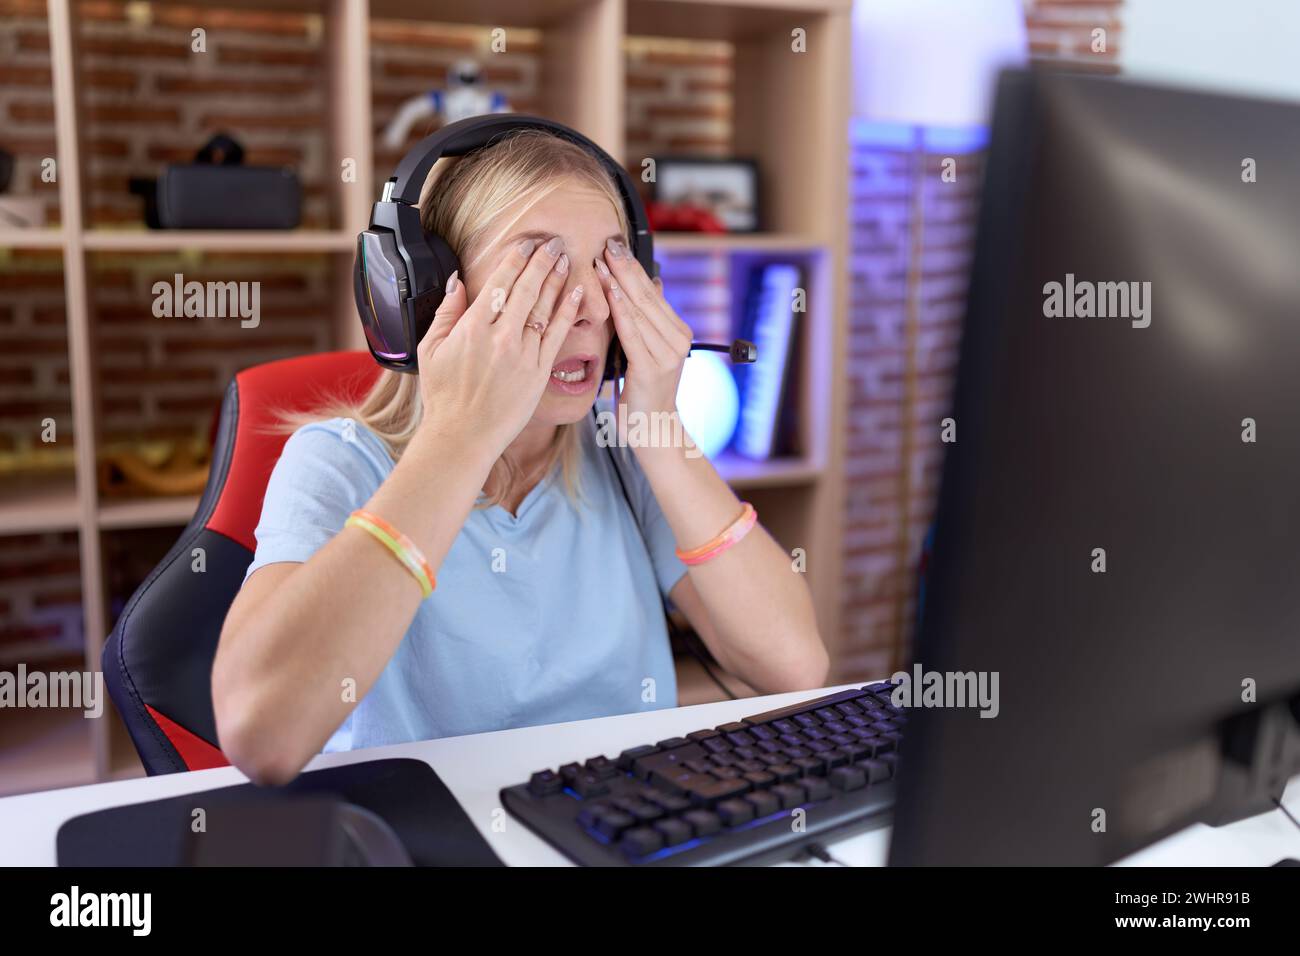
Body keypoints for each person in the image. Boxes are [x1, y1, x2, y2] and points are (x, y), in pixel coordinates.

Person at [211, 129, 828, 786]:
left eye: (611, 265)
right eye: (543, 270)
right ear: (426, 296)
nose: (591, 306)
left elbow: (793, 667)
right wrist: (461, 439)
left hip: (612, 832)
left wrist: (658, 429)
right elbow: (260, 732)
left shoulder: (623, 455)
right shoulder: (336, 465)